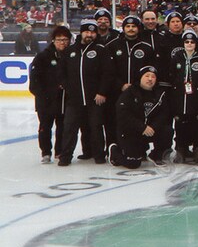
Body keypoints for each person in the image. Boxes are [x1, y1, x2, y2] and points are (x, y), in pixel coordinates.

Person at [57, 21, 112, 166]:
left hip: (94, 99)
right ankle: (65, 157)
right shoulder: (70, 51)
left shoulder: (101, 50)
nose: (90, 35)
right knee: (70, 128)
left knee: (95, 127)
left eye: (93, 32)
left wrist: (102, 92)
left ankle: (99, 155)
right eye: (87, 32)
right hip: (74, 100)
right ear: (81, 33)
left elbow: (107, 74)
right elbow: (62, 73)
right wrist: (68, 87)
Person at [110, 66, 173, 168]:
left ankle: (156, 155)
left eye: (153, 77)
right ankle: (115, 151)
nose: (150, 79)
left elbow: (164, 114)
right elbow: (123, 114)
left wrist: (153, 127)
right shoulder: (129, 92)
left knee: (167, 130)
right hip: (132, 131)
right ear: (140, 77)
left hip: (151, 129)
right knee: (133, 164)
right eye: (147, 76)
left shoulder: (160, 94)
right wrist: (142, 127)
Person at [29, 25, 71, 163]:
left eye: (65, 39)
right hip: (45, 101)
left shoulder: (71, 56)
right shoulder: (42, 57)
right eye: (59, 39)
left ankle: (59, 151)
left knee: (62, 127)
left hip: (63, 100)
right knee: (45, 127)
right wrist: (44, 96)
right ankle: (45, 152)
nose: (62, 42)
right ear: (53, 40)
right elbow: (34, 82)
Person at [169, 29, 198, 163]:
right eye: (186, 42)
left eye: (192, 42)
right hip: (180, 97)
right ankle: (181, 147)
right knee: (180, 123)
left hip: (196, 97)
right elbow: (173, 75)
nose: (189, 44)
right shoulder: (177, 57)